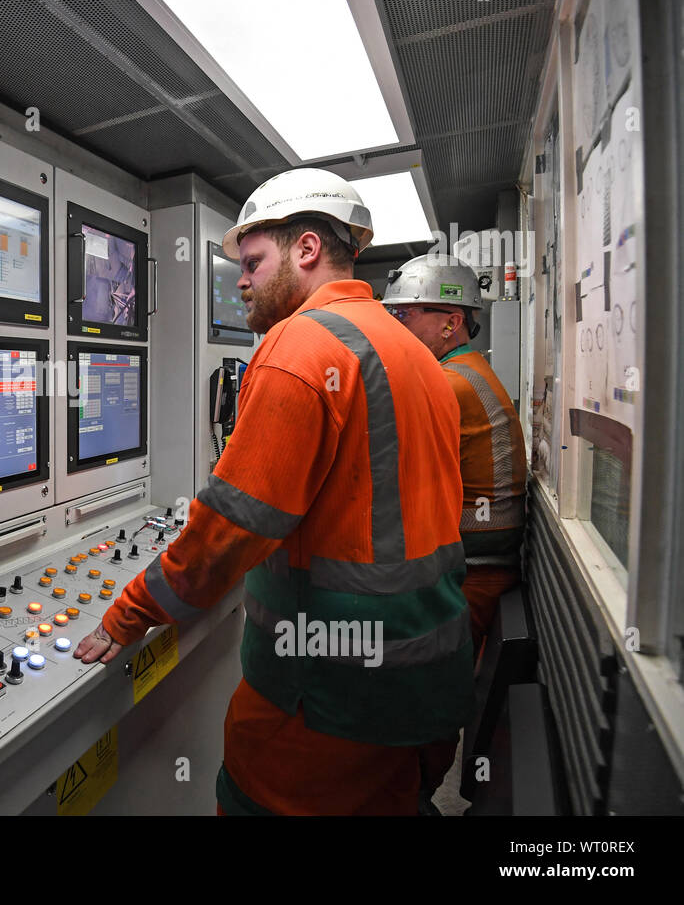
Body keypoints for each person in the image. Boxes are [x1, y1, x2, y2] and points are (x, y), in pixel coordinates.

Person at [75, 168, 475, 815]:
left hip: (328, 690)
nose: (240, 279)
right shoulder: (414, 354)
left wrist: (131, 610)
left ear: (307, 249)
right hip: (424, 670)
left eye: (254, 262)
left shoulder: (299, 345)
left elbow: (234, 525)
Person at [383, 254, 527, 651]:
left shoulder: (448, 382)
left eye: (404, 314)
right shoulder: (468, 369)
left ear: (451, 322)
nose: (395, 326)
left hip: (473, 572)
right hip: (479, 563)